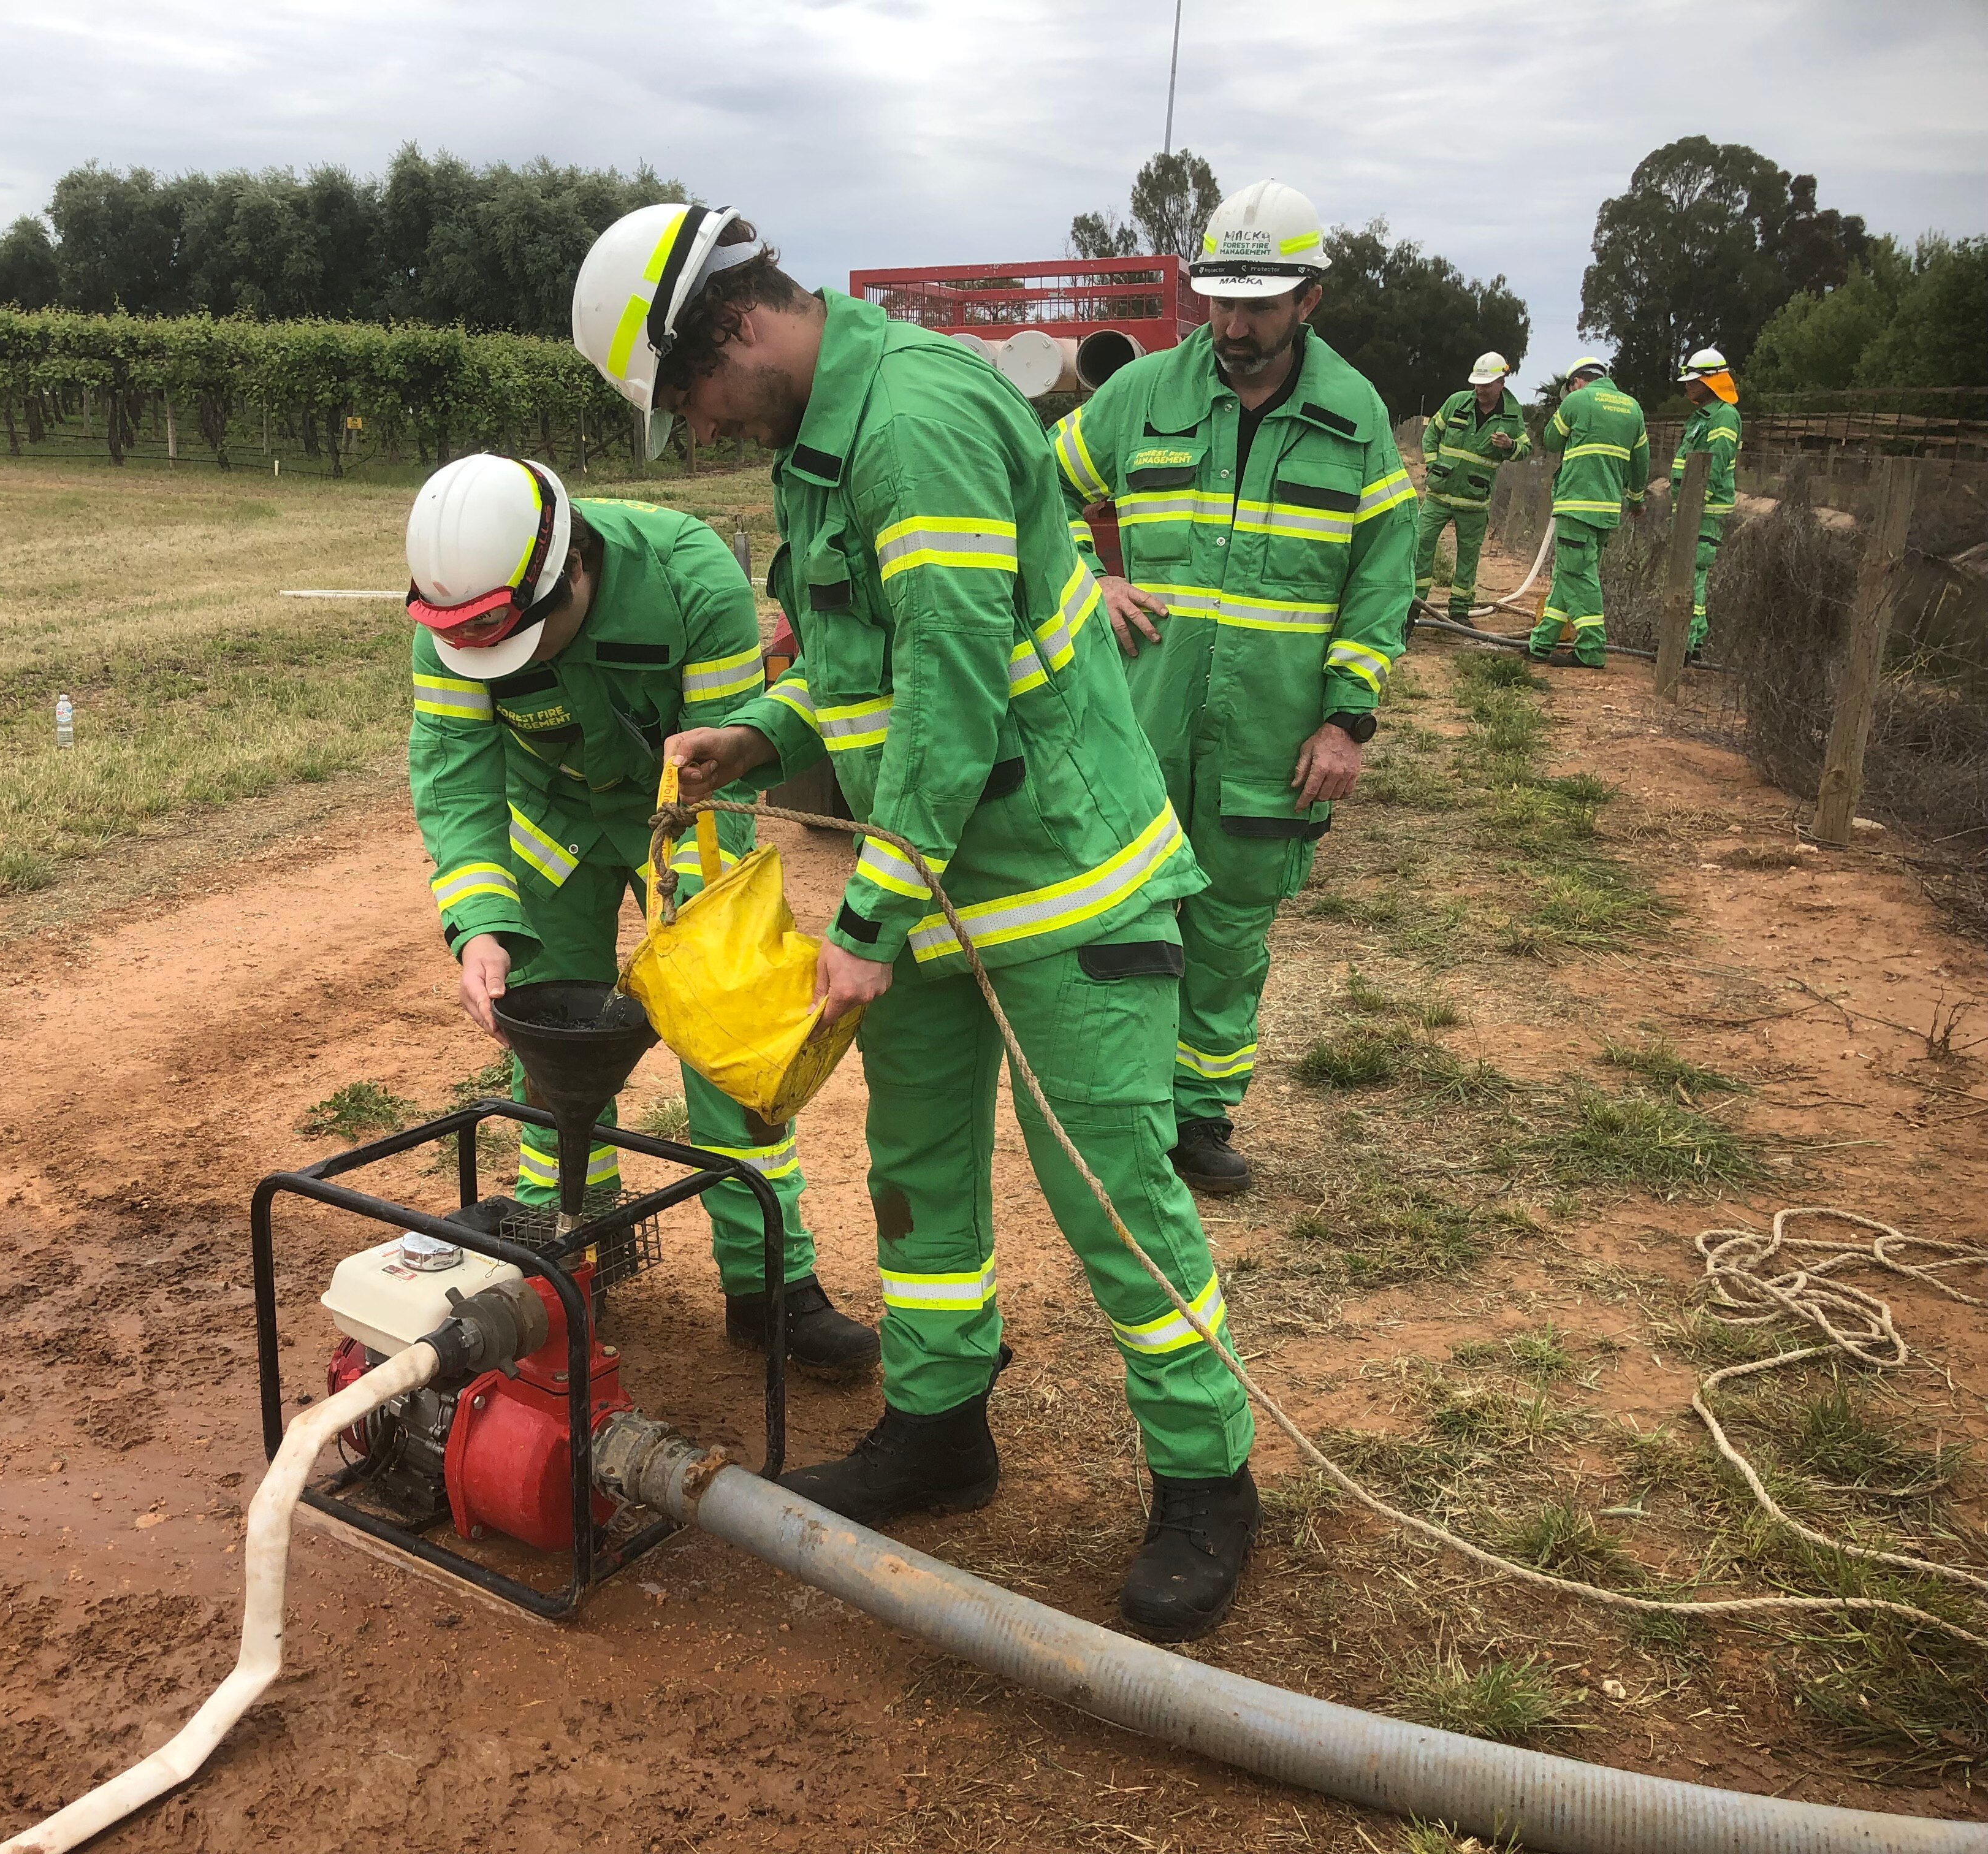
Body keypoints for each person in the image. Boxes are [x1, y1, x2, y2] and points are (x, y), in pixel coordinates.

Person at [572, 203, 1260, 1640]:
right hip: (942, 885)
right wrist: (757, 735)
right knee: (919, 1180)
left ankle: (1209, 1480)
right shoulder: (825, 448)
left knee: (1116, 1199)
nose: (697, 432)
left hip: (1061, 891)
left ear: (739, 333)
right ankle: (940, 1430)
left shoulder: (914, 424)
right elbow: (854, 665)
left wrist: (868, 922)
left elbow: (952, 690)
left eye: (688, 397)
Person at [405, 451, 877, 1377]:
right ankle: (572, 1256)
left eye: (524, 640)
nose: (506, 662)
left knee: (725, 1032)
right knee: (551, 1057)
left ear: (572, 569)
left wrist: (696, 870)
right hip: (554, 835)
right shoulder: (454, 624)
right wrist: (481, 928)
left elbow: (733, 755)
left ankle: (770, 1286)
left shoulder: (691, 575)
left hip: (685, 821)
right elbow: (457, 785)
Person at [1047, 179, 1415, 1198]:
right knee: (1124, 919)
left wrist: (1347, 720)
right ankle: (1120, 1109)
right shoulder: (1143, 394)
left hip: (1269, 740)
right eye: (1218, 300)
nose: (1232, 325)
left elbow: (1381, 579)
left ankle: (1196, 1120)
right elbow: (1035, 488)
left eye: (1257, 304)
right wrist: (1092, 574)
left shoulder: (1352, 420)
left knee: (1227, 934)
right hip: (1139, 727)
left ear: (1311, 299)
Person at [1528, 357, 1650, 667]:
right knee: (1569, 574)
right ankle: (1542, 643)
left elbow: (1552, 440)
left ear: (1577, 382)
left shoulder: (1578, 401)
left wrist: (1568, 412)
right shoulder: (1633, 408)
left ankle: (1592, 650)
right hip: (1608, 509)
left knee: (1579, 576)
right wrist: (1635, 500)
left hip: (1577, 505)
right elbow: (1641, 461)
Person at [1415, 351, 1529, 623]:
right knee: (1420, 544)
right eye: (1477, 384)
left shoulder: (1512, 416)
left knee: (1468, 556)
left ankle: (1459, 611)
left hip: (1474, 499)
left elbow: (1525, 450)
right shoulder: (1457, 402)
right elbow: (1432, 434)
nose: (1479, 389)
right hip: (1439, 494)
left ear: (1501, 383)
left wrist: (1510, 446)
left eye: (1486, 385)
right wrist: (1432, 466)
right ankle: (1414, 605)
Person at [1673, 348, 1742, 661]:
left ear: (1713, 380)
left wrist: (1695, 506)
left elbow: (1713, 466)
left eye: (1695, 380)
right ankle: (1690, 641)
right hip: (1692, 511)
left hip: (1704, 512)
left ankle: (1686, 644)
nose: (1688, 386)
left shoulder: (1724, 416)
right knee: (1689, 577)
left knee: (1693, 577)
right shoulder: (1702, 416)